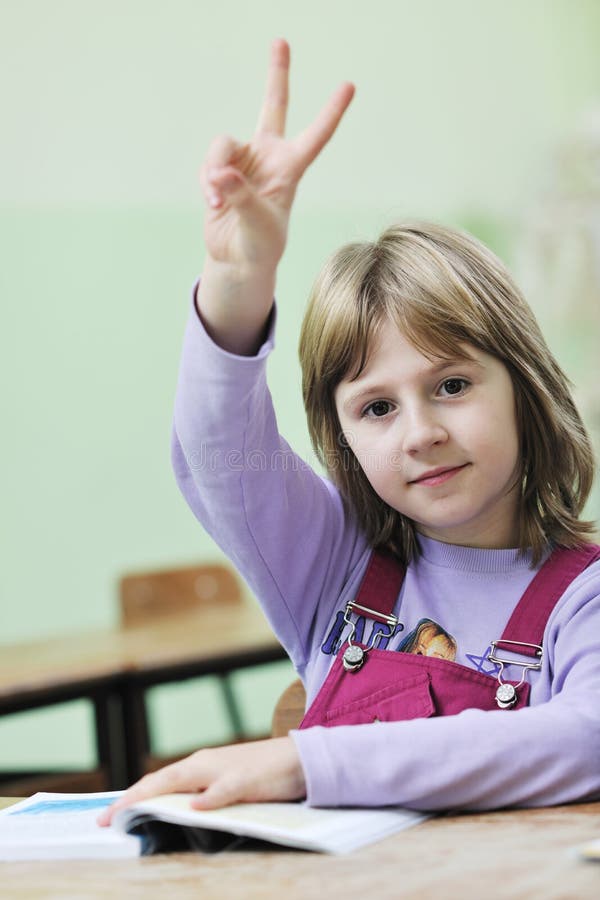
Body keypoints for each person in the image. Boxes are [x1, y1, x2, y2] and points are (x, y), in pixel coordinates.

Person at [99, 38, 600, 826]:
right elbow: (222, 453)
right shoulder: (334, 564)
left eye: (453, 386)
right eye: (376, 408)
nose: (421, 432)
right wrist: (237, 279)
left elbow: (586, 737)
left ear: (525, 388)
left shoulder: (584, 595)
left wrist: (307, 763)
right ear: (342, 437)